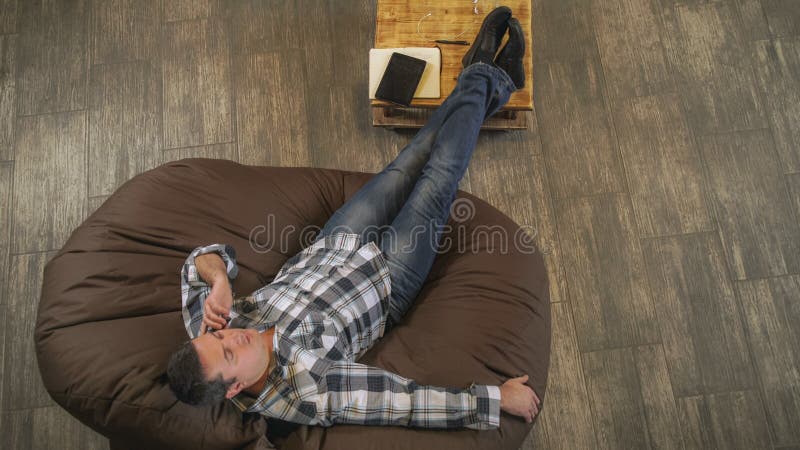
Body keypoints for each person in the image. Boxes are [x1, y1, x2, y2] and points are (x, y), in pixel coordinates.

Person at [167, 7, 541, 430]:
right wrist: (494, 399)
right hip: (386, 283)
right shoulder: (309, 392)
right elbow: (402, 402)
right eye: (230, 353)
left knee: (411, 159)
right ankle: (484, 76)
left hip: (334, 244)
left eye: (219, 337)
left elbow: (196, 265)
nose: (233, 336)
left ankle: (487, 79)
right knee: (439, 178)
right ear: (235, 388)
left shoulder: (206, 327)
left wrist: (218, 279)